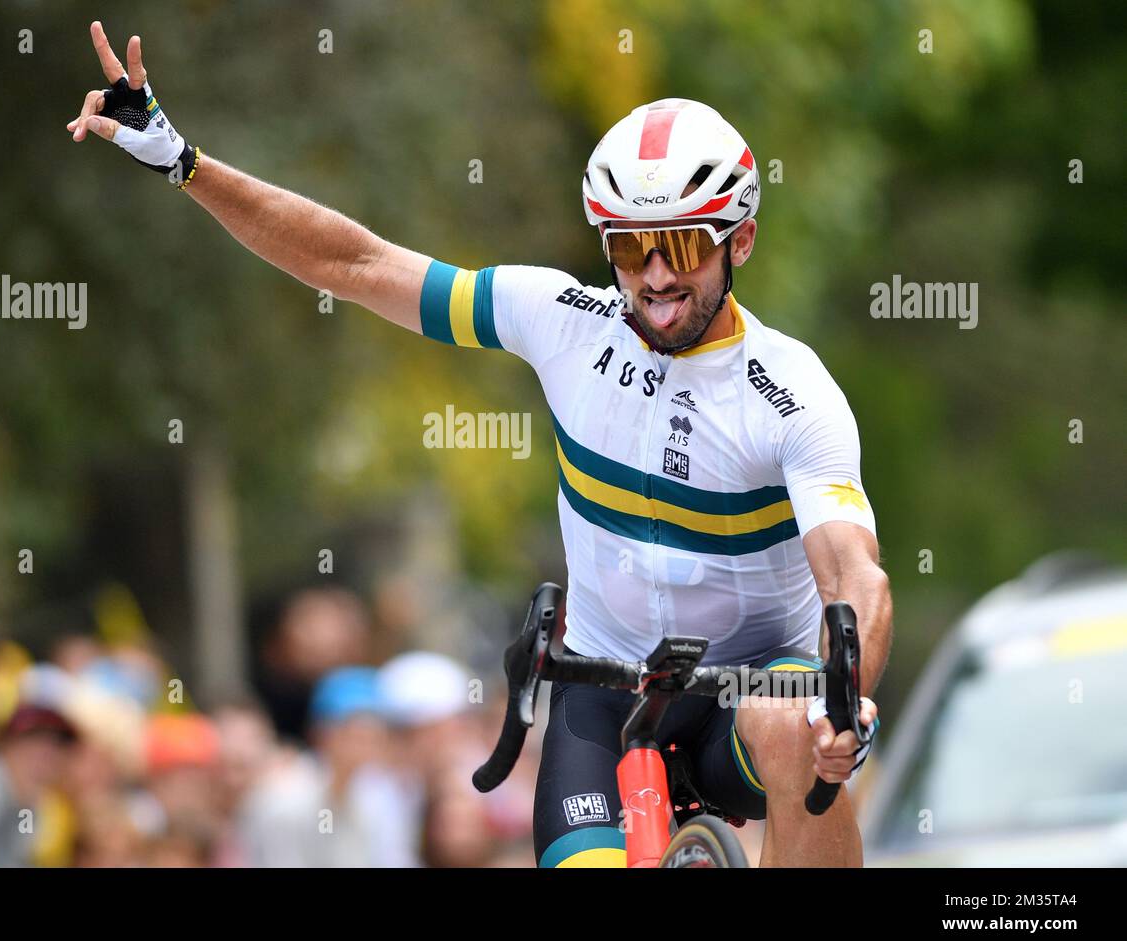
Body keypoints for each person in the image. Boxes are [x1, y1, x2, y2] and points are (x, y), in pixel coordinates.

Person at [68, 22, 891, 868]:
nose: (652, 276)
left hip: (748, 689)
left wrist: (844, 695)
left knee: (797, 722)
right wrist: (183, 162)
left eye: (679, 245)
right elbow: (355, 264)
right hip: (605, 689)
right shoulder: (562, 320)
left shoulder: (790, 392)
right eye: (628, 247)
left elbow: (855, 577)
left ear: (740, 240)